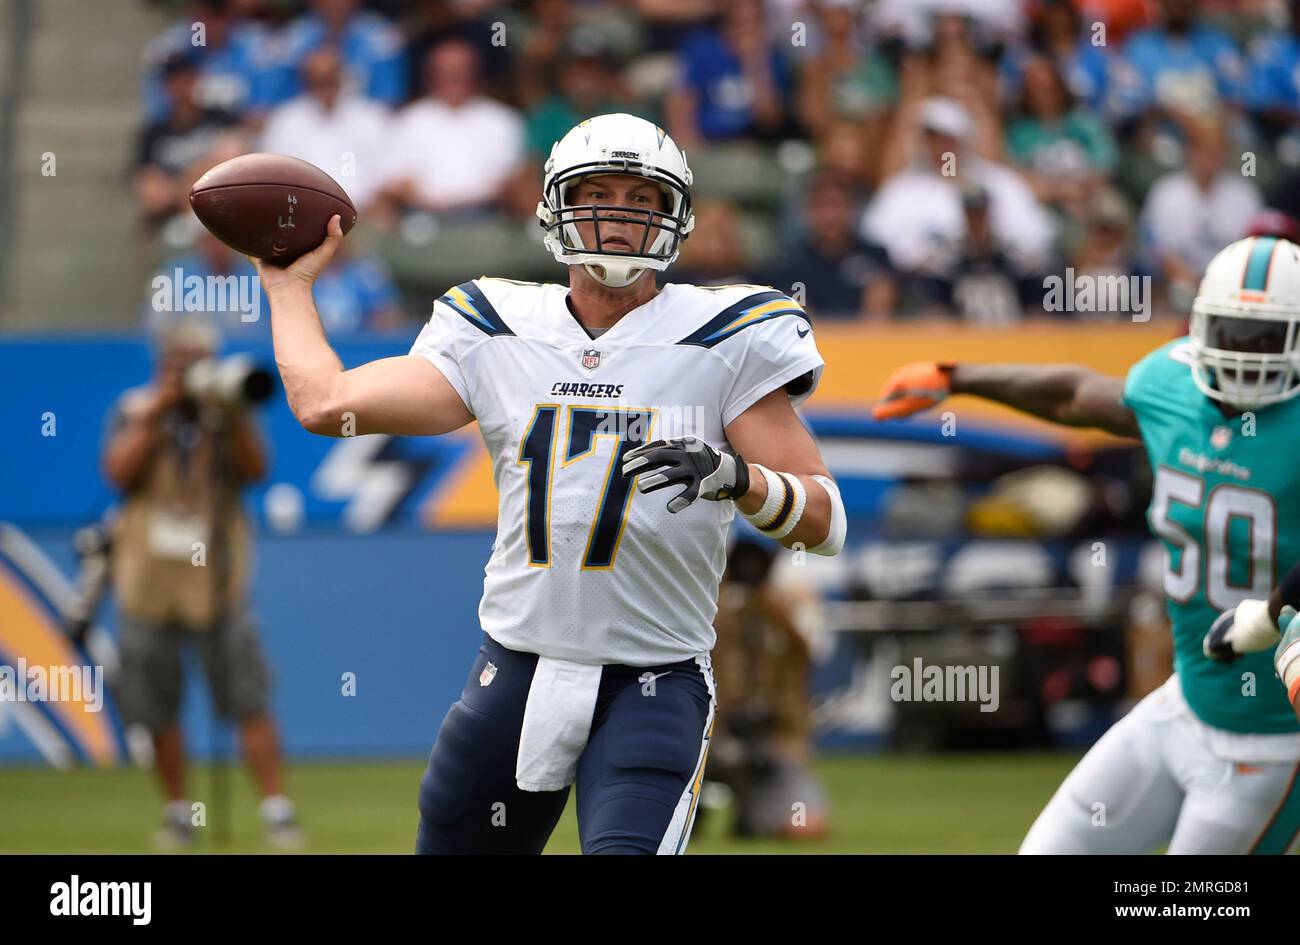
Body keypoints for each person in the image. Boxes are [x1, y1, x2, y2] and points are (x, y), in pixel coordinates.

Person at [251, 113, 846, 854]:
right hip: (513, 671)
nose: (619, 215)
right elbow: (324, 403)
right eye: (597, 192)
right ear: (553, 205)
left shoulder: (726, 336)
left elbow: (824, 521)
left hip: (652, 683)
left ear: (674, 217)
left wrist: (739, 479)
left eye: (642, 198)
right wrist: (288, 287)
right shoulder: (495, 324)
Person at [873, 235, 1300, 854]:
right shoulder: (1169, 383)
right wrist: (957, 376)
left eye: (1263, 337)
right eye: (1231, 331)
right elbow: (1075, 394)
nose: (1244, 354)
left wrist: (1277, 614)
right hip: (1185, 702)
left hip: (1272, 747)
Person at [101, 320, 300, 849]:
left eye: (199, 363)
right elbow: (118, 473)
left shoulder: (225, 415)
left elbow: (257, 471)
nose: (191, 374)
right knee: (155, 704)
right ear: (163, 366)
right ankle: (178, 812)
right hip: (147, 583)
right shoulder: (134, 409)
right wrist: (160, 412)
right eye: (181, 364)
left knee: (247, 696)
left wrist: (231, 419)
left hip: (217, 581)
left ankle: (277, 810)